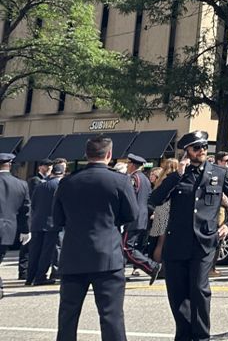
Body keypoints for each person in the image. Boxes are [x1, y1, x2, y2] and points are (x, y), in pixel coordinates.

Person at [149, 130, 228, 341]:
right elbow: (155, 198)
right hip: (176, 242)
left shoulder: (219, 173)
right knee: (177, 292)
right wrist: (177, 176)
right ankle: (183, 335)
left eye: (203, 147)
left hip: (204, 242)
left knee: (199, 290)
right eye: (196, 148)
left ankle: (201, 336)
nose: (201, 151)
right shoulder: (176, 176)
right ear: (187, 151)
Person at [51, 136, 136, 341]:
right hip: (107, 255)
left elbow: (58, 218)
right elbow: (132, 215)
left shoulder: (67, 182)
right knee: (111, 317)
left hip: (73, 255)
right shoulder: (120, 181)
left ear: (87, 155)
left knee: (68, 317)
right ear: (109, 155)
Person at [26, 160, 64, 286]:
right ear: (62, 173)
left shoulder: (41, 185)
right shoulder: (60, 186)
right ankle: (41, 276)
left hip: (37, 222)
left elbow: (34, 204)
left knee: (35, 251)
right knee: (47, 252)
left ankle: (29, 277)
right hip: (52, 224)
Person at [0, 152, 31, 301]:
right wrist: (26, 230)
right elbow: (25, 210)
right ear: (10, 165)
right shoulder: (21, 184)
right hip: (8, 229)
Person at [17, 158, 50, 282]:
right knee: (27, 245)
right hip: (33, 216)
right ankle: (23, 271)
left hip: (39, 217)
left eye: (50, 166)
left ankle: (29, 271)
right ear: (40, 167)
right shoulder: (35, 180)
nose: (49, 168)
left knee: (34, 246)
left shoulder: (46, 180)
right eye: (46, 166)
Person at [123, 154, 155, 276]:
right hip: (141, 217)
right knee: (127, 246)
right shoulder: (145, 179)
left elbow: (129, 198)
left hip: (133, 217)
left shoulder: (133, 178)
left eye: (128, 163)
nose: (126, 166)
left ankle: (152, 267)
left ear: (132, 165)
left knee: (126, 247)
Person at [147, 158, 179, 261]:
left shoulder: (161, 179)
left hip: (159, 210)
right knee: (164, 241)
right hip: (168, 211)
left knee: (158, 241)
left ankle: (156, 265)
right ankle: (160, 267)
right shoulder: (174, 178)